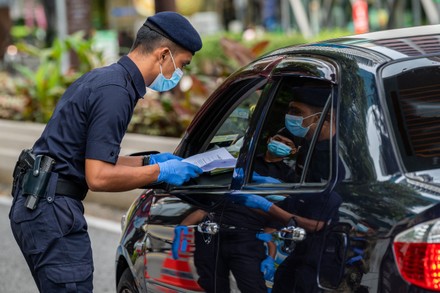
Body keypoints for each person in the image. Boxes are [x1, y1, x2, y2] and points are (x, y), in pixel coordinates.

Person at [9, 11, 204, 292]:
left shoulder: (108, 80)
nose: (179, 74)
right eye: (182, 64)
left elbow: (93, 157)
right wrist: (160, 172)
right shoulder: (116, 93)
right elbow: (98, 176)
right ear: (163, 55)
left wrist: (147, 161)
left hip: (40, 202)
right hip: (51, 209)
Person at [232, 84, 343, 292]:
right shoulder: (312, 149)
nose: (289, 116)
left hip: (317, 261)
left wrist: (268, 207)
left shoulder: (332, 162)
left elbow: (318, 224)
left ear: (322, 118)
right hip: (299, 255)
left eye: (297, 112)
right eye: (290, 109)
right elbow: (302, 201)